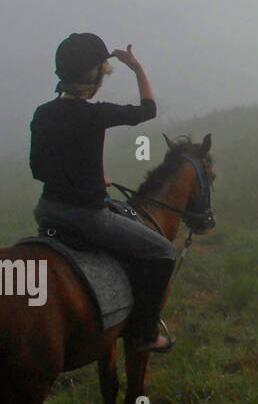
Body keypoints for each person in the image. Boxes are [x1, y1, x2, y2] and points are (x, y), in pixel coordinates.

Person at [29, 33, 176, 353]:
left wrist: (93, 176)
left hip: (47, 210)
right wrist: (136, 68)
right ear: (94, 76)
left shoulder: (42, 113)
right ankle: (144, 334)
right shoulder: (94, 114)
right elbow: (148, 109)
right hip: (87, 217)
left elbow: (39, 171)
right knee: (163, 252)